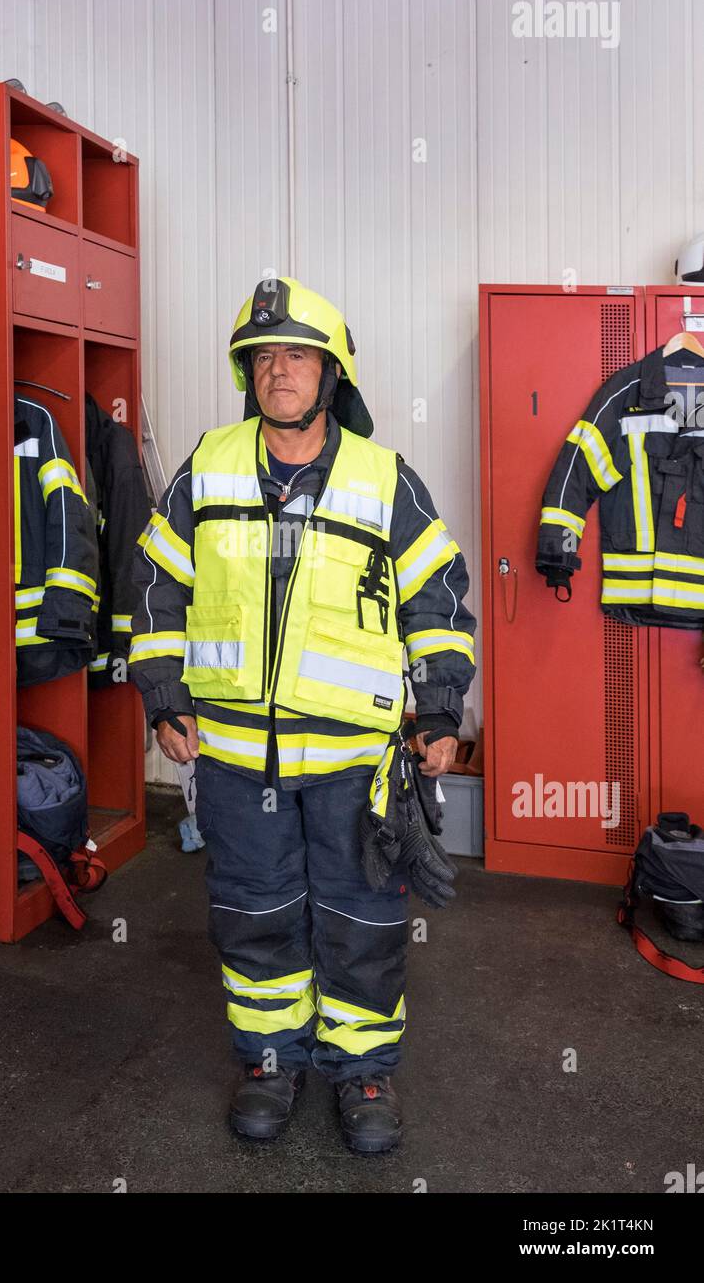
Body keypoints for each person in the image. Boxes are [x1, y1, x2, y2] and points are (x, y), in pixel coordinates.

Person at [129, 277, 476, 1153]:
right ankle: (269, 1060)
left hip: (354, 761)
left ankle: (362, 1071)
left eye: (297, 355)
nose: (278, 372)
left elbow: (437, 601)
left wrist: (437, 711)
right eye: (263, 357)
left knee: (363, 915)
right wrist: (164, 695)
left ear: (332, 372)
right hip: (240, 757)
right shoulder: (206, 468)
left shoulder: (383, 479)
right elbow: (155, 588)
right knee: (254, 909)